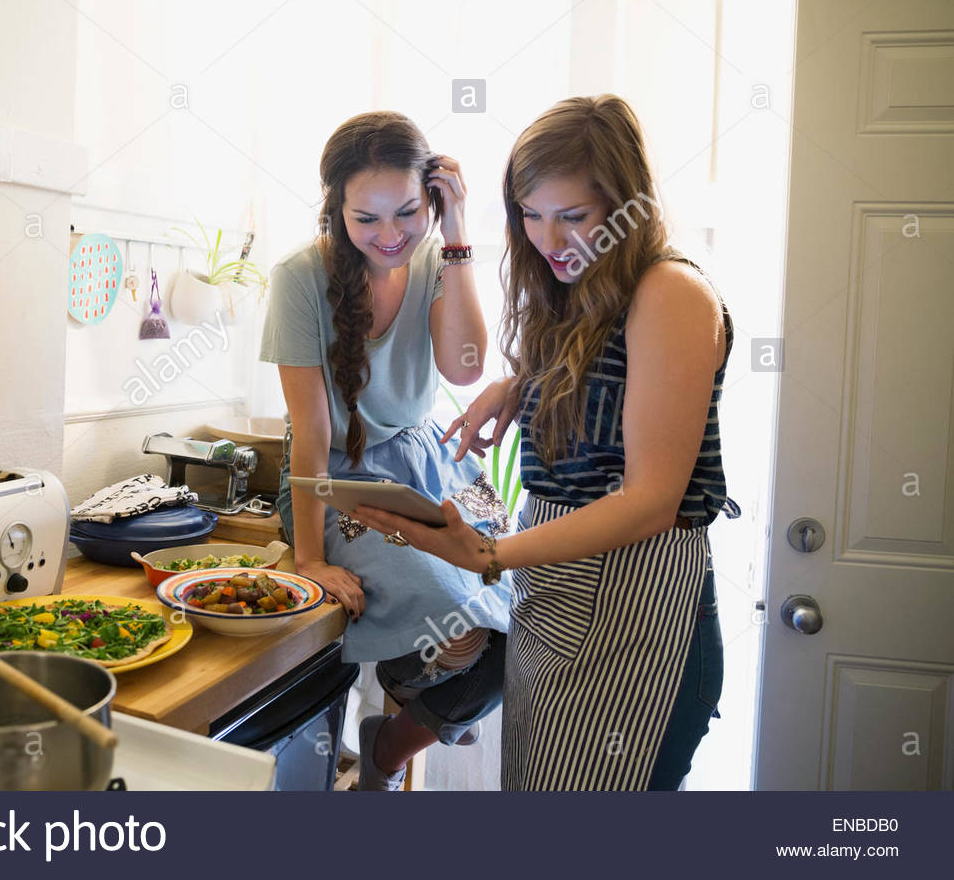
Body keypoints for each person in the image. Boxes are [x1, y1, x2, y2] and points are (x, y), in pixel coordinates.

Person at [351, 95, 741, 791]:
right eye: (531, 216)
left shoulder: (672, 293)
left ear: (629, 203)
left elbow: (650, 500)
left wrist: (490, 553)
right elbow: (618, 380)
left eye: (573, 217)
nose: (549, 240)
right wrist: (521, 383)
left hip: (637, 598)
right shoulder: (585, 293)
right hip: (559, 585)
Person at [258, 111, 513, 791]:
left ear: (430, 199)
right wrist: (309, 558)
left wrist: (456, 233)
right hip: (337, 483)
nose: (391, 236)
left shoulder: (433, 256)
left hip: (431, 465)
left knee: (522, 616)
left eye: (408, 212)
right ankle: (402, 719)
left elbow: (464, 369)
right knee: (460, 632)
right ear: (335, 209)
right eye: (366, 219)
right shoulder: (298, 278)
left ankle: (384, 752)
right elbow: (310, 436)